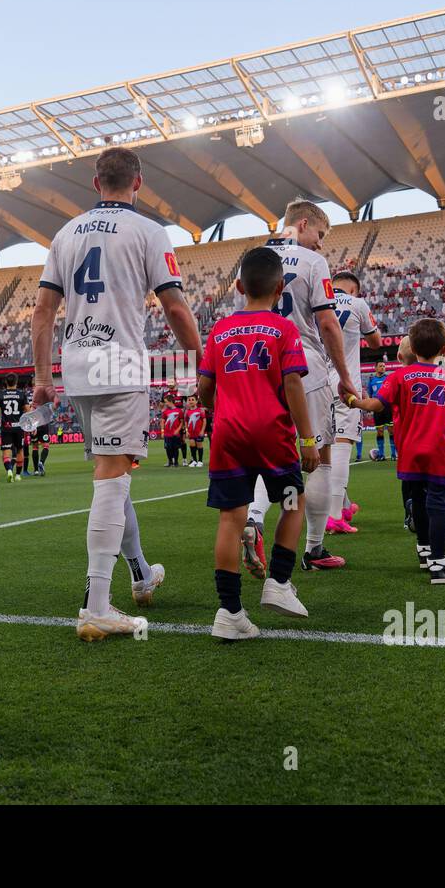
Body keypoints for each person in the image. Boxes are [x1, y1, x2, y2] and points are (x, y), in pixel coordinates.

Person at [30, 147, 200, 639]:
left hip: (76, 363)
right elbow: (174, 306)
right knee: (113, 476)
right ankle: (96, 605)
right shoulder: (149, 232)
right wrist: (203, 361)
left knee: (114, 469)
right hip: (120, 361)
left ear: (95, 182)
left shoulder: (66, 233)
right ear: (138, 182)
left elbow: (42, 312)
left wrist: (43, 378)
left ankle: (141, 573)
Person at [198, 247, 317, 639]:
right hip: (272, 433)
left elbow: (203, 391)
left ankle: (228, 612)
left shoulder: (219, 329)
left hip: (229, 435)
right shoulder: (284, 329)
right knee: (292, 501)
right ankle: (279, 583)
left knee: (231, 519)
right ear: (281, 288)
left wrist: (228, 408)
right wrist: (307, 438)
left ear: (237, 287)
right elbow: (293, 383)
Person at [241, 200, 361, 573]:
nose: (321, 244)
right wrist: (344, 376)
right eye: (320, 235)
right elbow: (327, 324)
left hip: (258, 366)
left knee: (269, 457)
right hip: (303, 365)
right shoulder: (312, 262)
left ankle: (255, 520)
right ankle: (314, 548)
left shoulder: (252, 259)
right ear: (303, 224)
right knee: (319, 456)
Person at [353, 319, 445, 584]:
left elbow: (377, 405)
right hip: (439, 454)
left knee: (419, 503)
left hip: (410, 454)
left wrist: (351, 399)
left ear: (411, 347)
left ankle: (424, 551)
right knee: (438, 508)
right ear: (443, 348)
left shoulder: (399, 376)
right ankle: (439, 564)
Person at [328, 270, 381, 534]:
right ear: (353, 289)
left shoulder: (315, 298)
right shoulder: (357, 303)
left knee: (320, 447)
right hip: (344, 382)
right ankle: (335, 514)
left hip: (313, 380)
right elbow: (376, 342)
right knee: (342, 444)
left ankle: (344, 505)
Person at [0, 375, 26, 482]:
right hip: (19, 427)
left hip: (6, 427)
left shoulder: (1, 395)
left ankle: (9, 470)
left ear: (6, 382)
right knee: (19, 450)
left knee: (6, 451)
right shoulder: (22, 395)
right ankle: (18, 475)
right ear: (16, 382)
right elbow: (27, 411)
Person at [366, 361, 396, 461]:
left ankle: (393, 454)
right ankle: (382, 454)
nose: (383, 368)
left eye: (384, 366)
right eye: (381, 366)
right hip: (377, 408)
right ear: (376, 368)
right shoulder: (371, 381)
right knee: (380, 432)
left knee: (392, 431)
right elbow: (369, 395)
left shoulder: (388, 378)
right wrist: (369, 408)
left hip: (387, 408)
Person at [161, 392, 186, 467]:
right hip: (167, 433)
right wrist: (162, 431)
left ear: (170, 401)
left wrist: (178, 430)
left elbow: (182, 422)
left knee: (175, 448)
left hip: (175, 434)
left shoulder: (179, 411)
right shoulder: (165, 411)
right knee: (168, 448)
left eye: (166, 402)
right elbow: (162, 421)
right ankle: (170, 461)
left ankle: (176, 462)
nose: (165, 404)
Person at [184, 395, 207, 467]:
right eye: (189, 400)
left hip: (199, 432)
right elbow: (186, 422)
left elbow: (204, 421)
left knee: (199, 445)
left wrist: (202, 430)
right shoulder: (187, 412)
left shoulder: (200, 410)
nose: (191, 401)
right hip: (191, 432)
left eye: (192, 400)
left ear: (196, 401)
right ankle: (194, 460)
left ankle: (200, 461)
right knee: (192, 445)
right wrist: (187, 431)